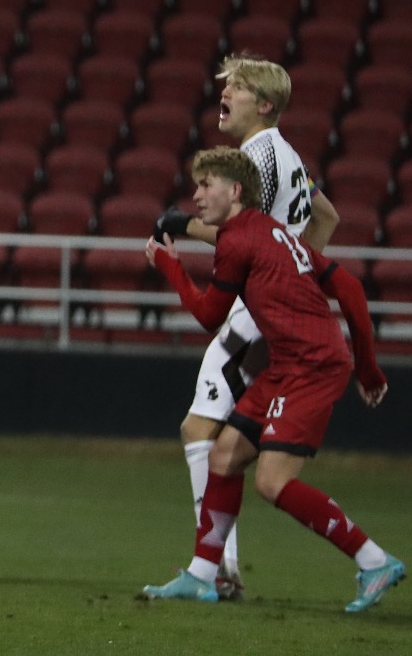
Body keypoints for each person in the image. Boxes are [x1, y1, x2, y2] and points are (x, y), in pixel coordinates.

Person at [141, 147, 401, 613]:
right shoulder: (274, 233)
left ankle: (374, 560)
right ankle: (202, 574)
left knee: (272, 482)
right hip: (289, 363)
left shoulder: (238, 243)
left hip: (312, 365)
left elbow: (208, 316)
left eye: (206, 185)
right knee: (223, 456)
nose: (197, 195)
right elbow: (349, 287)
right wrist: (367, 367)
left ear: (235, 190)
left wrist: (170, 268)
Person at [153, 54, 339, 600]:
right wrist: (300, 277)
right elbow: (326, 219)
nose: (223, 94)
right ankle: (214, 568)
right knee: (219, 441)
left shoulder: (257, 156)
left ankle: (215, 570)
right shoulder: (290, 158)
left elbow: (248, 240)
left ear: (264, 104)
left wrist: (180, 226)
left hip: (254, 315)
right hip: (272, 309)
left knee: (200, 432)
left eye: (234, 86)